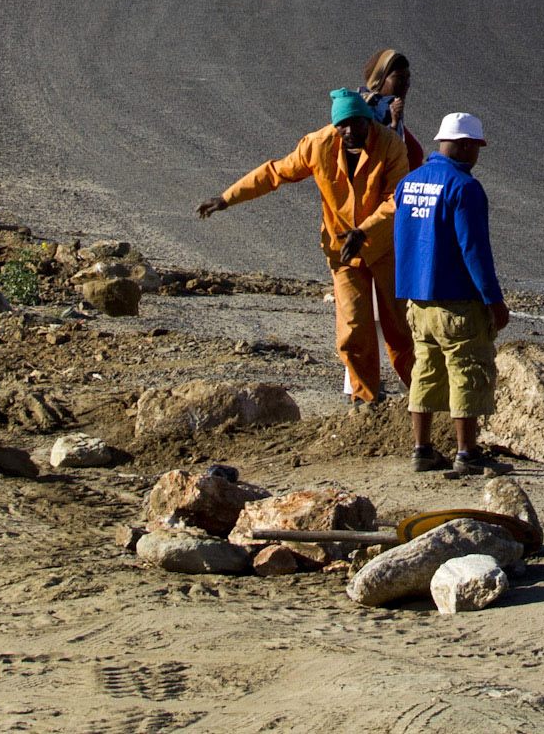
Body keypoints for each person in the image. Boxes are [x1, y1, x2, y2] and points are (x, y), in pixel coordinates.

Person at [194, 88, 415, 405]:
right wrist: (227, 198)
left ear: (369, 120)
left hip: (383, 248)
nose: (350, 132)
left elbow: (396, 200)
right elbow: (274, 173)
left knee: (400, 330)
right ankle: (365, 402)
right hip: (343, 253)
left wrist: (364, 231)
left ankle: (426, 399)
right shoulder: (318, 145)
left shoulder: (391, 144)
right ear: (335, 126)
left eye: (357, 124)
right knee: (353, 329)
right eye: (343, 126)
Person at [393, 110, 509, 476]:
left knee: (425, 369)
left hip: (417, 300)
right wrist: (493, 300)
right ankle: (466, 454)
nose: (477, 155)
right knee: (467, 370)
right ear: (462, 145)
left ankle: (422, 449)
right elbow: (474, 249)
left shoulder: (409, 182)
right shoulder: (464, 187)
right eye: (475, 147)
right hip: (457, 300)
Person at [361, 49, 418, 152]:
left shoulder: (390, 106)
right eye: (398, 77)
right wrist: (394, 125)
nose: (406, 83)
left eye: (407, 77)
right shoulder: (370, 109)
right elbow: (375, 149)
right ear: (379, 81)